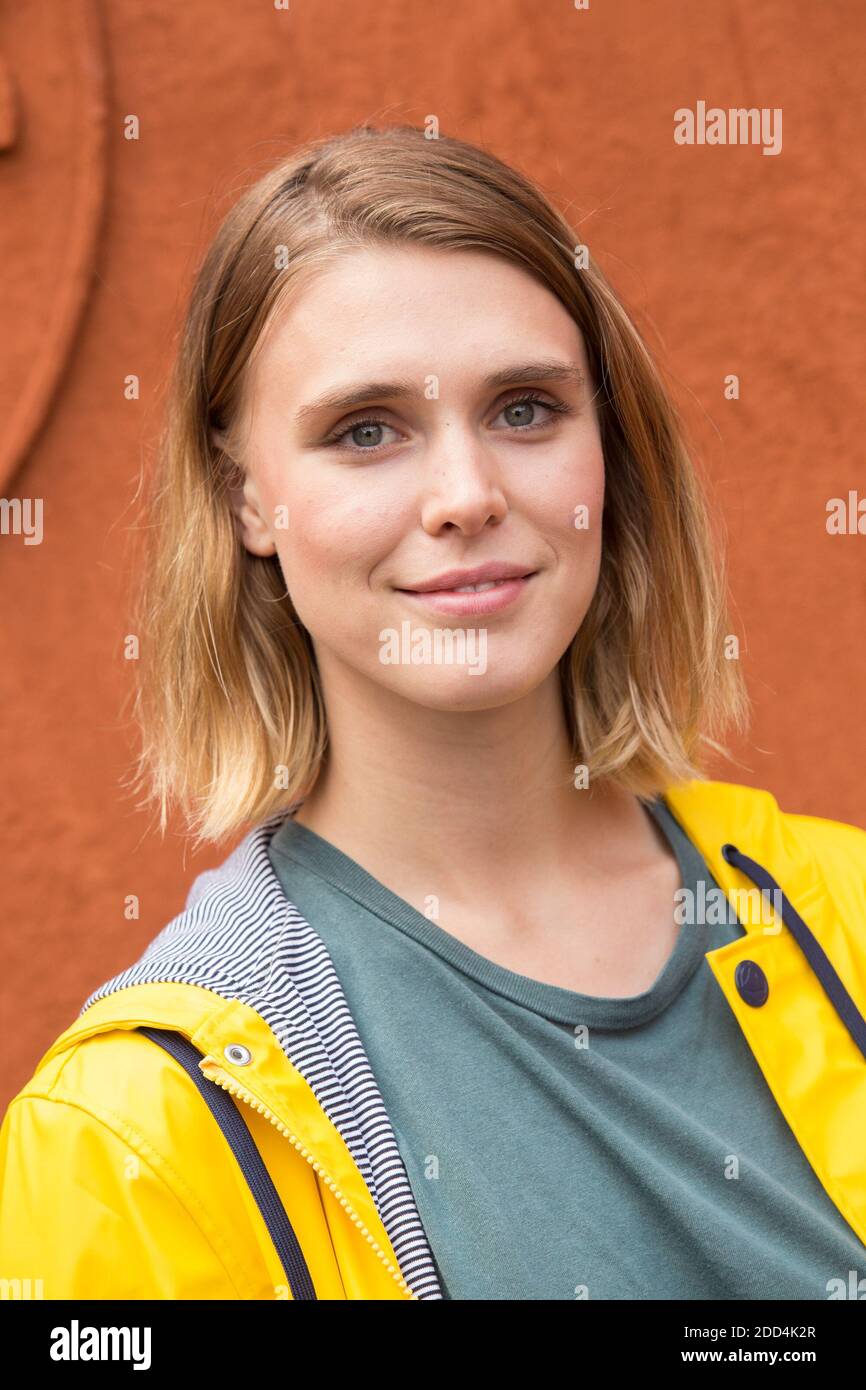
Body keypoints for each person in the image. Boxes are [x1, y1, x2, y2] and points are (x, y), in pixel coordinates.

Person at [2, 124, 866, 1302]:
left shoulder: (845, 917)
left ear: (606, 451)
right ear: (245, 495)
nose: (466, 496)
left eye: (523, 409)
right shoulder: (130, 1139)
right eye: (365, 431)